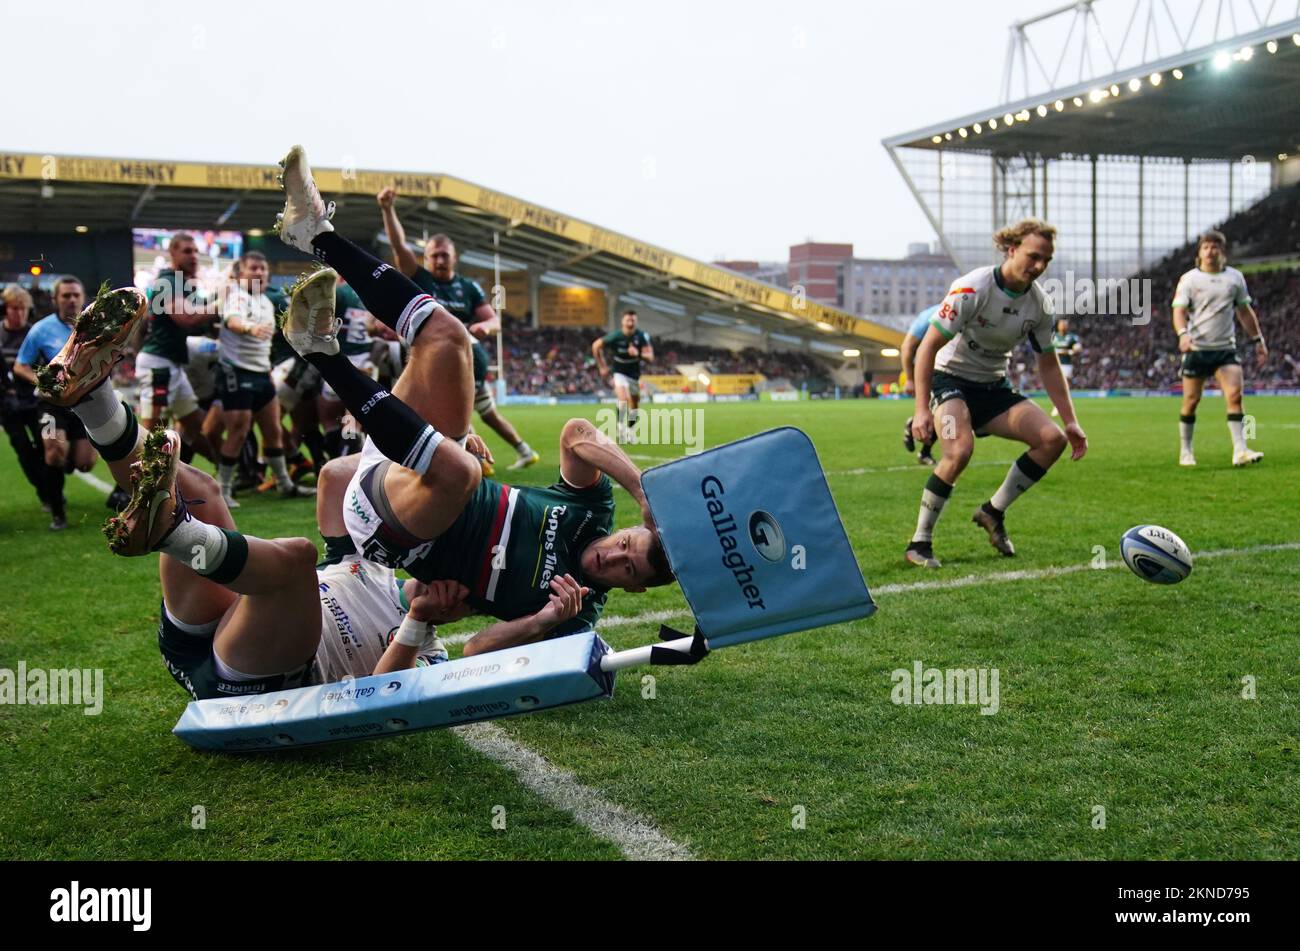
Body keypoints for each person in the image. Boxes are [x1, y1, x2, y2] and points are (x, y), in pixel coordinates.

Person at [275, 145, 674, 656]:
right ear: (625, 529)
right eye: (625, 546)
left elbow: (475, 651)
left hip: (395, 525)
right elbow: (577, 433)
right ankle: (315, 236)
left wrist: (542, 619)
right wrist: (642, 491)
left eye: (627, 570)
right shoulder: (593, 510)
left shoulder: (577, 614)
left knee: (462, 471)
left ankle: (323, 357)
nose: (613, 559)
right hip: (405, 463)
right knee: (448, 335)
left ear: (634, 589)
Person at [34, 288, 460, 700]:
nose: (453, 576)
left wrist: (419, 621)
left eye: (465, 582)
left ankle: (172, 531)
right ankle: (92, 399)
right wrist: (437, 451)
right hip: (215, 625)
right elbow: (335, 474)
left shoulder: (428, 646)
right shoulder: (372, 565)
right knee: (200, 489)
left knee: (295, 560)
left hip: (263, 680)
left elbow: (383, 699)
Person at [906, 218, 1088, 569]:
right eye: (1033, 257)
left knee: (1052, 440)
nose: (1039, 267)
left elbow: (1049, 365)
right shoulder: (972, 288)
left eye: (1046, 261)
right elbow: (926, 348)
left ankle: (992, 512)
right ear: (1011, 249)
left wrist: (1071, 422)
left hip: (993, 387)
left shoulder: (1040, 305)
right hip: (949, 381)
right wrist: (920, 409)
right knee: (958, 450)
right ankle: (919, 542)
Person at [377, 187, 539, 473]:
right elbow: (399, 245)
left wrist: (485, 327)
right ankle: (521, 451)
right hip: (439, 358)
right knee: (485, 412)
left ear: (455, 257)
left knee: (449, 408)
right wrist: (388, 210)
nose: (439, 260)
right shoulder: (420, 278)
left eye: (444, 255)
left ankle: (472, 460)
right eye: (434, 256)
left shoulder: (469, 287)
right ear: (426, 259)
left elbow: (494, 321)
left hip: (465, 356)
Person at [213, 250, 315, 506]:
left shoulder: (267, 302)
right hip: (237, 372)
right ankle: (222, 490)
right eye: (253, 268)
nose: (259, 273)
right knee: (238, 431)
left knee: (273, 431)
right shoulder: (237, 297)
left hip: (261, 373)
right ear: (241, 274)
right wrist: (250, 328)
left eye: (263, 269)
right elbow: (233, 322)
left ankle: (284, 483)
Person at [11, 277, 103, 530]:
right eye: (65, 296)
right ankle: (58, 514)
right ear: (55, 299)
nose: (71, 300)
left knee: (85, 464)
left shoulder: (96, 328)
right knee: (53, 451)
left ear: (83, 298)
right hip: (51, 405)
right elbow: (20, 364)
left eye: (75, 295)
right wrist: (41, 381)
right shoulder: (41, 330)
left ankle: (66, 462)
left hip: (84, 404)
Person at [1173, 229, 1266, 467]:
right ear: (1200, 252)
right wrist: (1183, 334)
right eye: (1206, 246)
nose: (1210, 251)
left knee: (1235, 396)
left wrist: (1258, 339)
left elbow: (1244, 312)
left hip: (1225, 349)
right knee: (1191, 401)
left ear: (1222, 251)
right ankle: (1186, 451)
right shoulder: (1190, 279)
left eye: (1215, 246)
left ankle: (1240, 450)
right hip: (1197, 349)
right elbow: (1179, 311)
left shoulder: (1235, 278)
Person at [135, 233, 221, 464]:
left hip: (171, 363)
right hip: (158, 364)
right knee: (154, 429)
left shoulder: (183, 283)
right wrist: (223, 302)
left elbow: (203, 319)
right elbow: (186, 318)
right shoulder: (168, 281)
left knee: (194, 424)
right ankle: (129, 485)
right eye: (186, 251)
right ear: (172, 253)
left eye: (195, 251)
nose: (193, 256)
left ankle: (225, 468)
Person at [1, 283, 50, 509]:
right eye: (14, 308)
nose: (18, 313)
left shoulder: (34, 334)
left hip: (33, 399)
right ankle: (44, 490)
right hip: (7, 402)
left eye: (22, 308)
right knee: (22, 448)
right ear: (6, 308)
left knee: (43, 445)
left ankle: (50, 490)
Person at [593, 309, 654, 442]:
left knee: (635, 404)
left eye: (633, 320)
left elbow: (650, 357)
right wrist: (602, 366)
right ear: (622, 321)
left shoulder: (642, 336)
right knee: (623, 398)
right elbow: (596, 346)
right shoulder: (616, 336)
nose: (630, 322)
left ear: (636, 321)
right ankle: (620, 427)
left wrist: (637, 353)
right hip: (619, 371)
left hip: (634, 373)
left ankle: (630, 430)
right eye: (628, 319)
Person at [899, 304, 939, 465]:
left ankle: (923, 450)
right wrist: (909, 378)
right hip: (933, 372)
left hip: (953, 371)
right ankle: (925, 452)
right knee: (948, 413)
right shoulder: (931, 314)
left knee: (944, 414)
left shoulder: (967, 308)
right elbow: (907, 346)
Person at [1049, 317, 1082, 418]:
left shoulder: (1071, 337)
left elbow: (1078, 348)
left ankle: (1059, 406)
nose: (1064, 326)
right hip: (1054, 364)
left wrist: (1069, 351)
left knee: (1063, 385)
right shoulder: (1054, 337)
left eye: (1065, 324)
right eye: (1062, 324)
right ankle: (1058, 405)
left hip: (1066, 365)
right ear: (1058, 326)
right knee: (1055, 385)